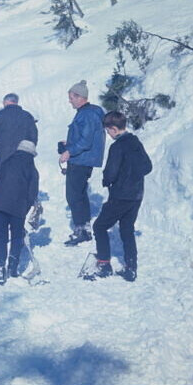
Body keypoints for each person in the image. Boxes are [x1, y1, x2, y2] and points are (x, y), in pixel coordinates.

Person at [84, 111, 153, 282]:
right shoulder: (136, 142)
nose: (108, 134)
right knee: (127, 229)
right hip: (136, 195)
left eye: (108, 131)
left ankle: (104, 264)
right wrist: (132, 175)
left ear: (114, 129)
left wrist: (107, 181)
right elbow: (147, 167)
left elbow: (111, 172)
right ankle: (131, 268)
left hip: (120, 195)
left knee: (99, 227)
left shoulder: (117, 147)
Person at [58, 79, 105, 246]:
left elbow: (86, 141)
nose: (69, 100)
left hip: (81, 160)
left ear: (79, 97)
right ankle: (83, 228)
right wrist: (68, 143)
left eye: (71, 97)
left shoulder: (88, 114)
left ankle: (82, 230)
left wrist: (69, 152)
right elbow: (85, 137)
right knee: (79, 194)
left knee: (74, 195)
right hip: (83, 159)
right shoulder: (89, 112)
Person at [0, 139, 39, 285]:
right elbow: (32, 193)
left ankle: (0, 269)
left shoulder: (5, 163)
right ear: (31, 154)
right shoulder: (31, 168)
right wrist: (25, 207)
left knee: (1, 237)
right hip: (18, 207)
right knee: (17, 236)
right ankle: (13, 266)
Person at [0, 93, 38, 167]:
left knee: (2, 178)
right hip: (23, 156)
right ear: (16, 102)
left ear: (5, 102)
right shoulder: (27, 116)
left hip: (3, 157)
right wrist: (29, 152)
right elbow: (33, 136)